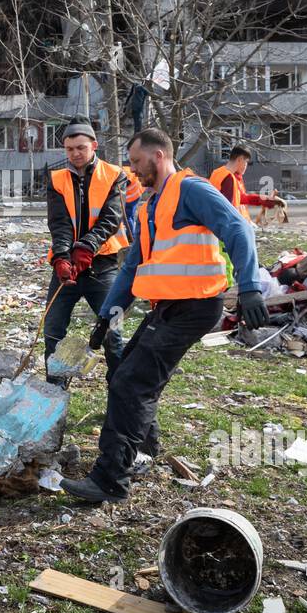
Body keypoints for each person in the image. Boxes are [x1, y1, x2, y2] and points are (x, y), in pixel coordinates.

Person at [59, 128, 268, 503]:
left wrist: (250, 286)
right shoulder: (150, 205)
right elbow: (132, 267)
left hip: (196, 307)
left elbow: (237, 227)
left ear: (158, 156)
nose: (133, 170)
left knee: (131, 384)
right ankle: (145, 448)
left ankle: (110, 480)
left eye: (137, 162)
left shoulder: (192, 190)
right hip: (168, 307)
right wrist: (108, 316)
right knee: (125, 371)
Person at [44, 123, 129, 387]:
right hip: (67, 267)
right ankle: (54, 390)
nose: (75, 154)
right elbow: (59, 223)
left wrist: (87, 246)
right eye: (69, 149)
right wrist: (61, 256)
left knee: (113, 333)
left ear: (94, 145)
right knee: (52, 331)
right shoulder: (57, 178)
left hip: (102, 266)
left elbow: (110, 218)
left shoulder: (114, 174)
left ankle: (119, 391)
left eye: (81, 147)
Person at [208, 144, 285, 221]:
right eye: (246, 162)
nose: (246, 165)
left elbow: (242, 198)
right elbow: (228, 209)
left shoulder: (218, 173)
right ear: (240, 159)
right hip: (229, 225)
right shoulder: (229, 178)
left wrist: (265, 200)